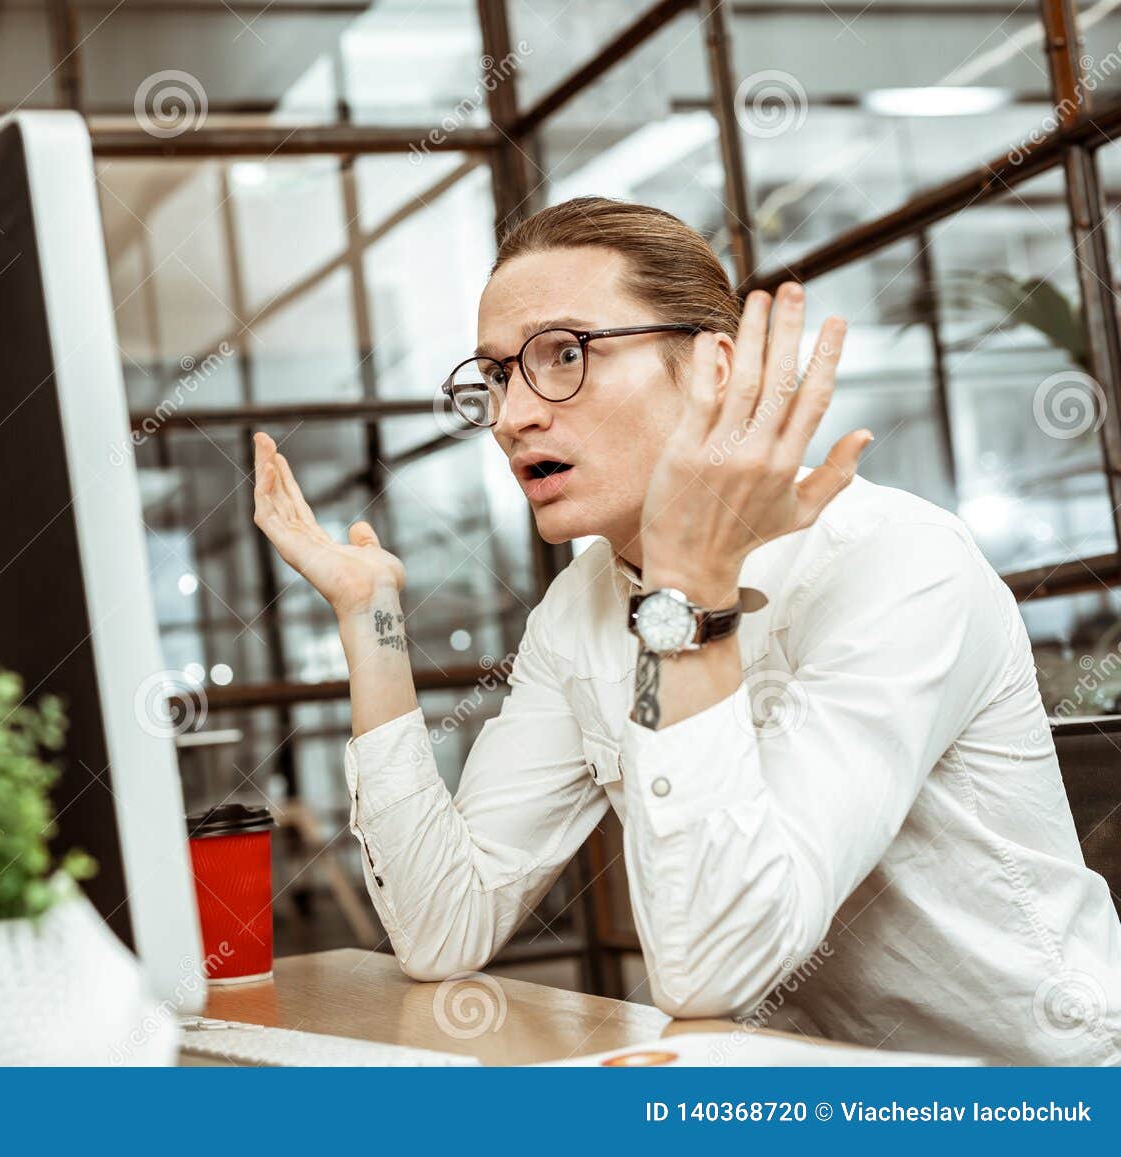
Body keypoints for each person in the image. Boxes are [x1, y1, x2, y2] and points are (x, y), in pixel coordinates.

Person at [250, 196, 1121, 1064]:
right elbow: (443, 926)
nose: (514, 415)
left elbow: (713, 971)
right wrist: (373, 626)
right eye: (497, 375)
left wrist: (688, 593)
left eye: (565, 354)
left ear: (716, 368)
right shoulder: (579, 608)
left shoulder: (899, 560)